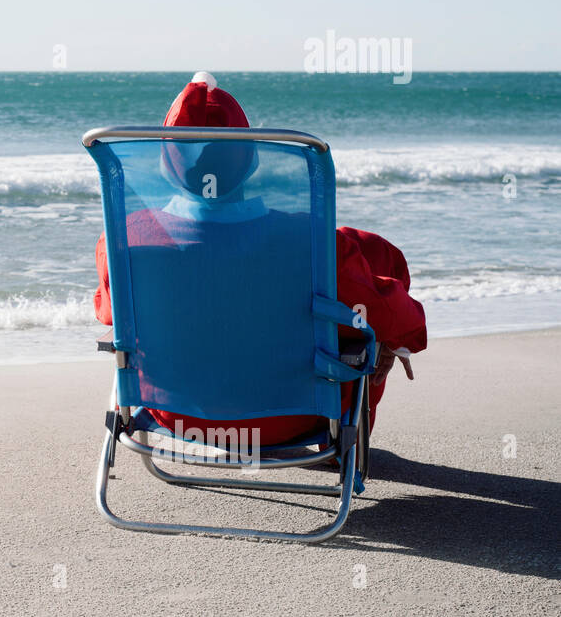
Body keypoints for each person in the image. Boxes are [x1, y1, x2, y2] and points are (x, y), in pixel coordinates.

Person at [93, 72, 426, 443]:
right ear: (251, 159)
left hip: (177, 415)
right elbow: (380, 310)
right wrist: (404, 335)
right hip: (295, 416)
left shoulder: (123, 242)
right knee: (369, 298)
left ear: (165, 164)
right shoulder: (312, 245)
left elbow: (109, 313)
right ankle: (342, 449)